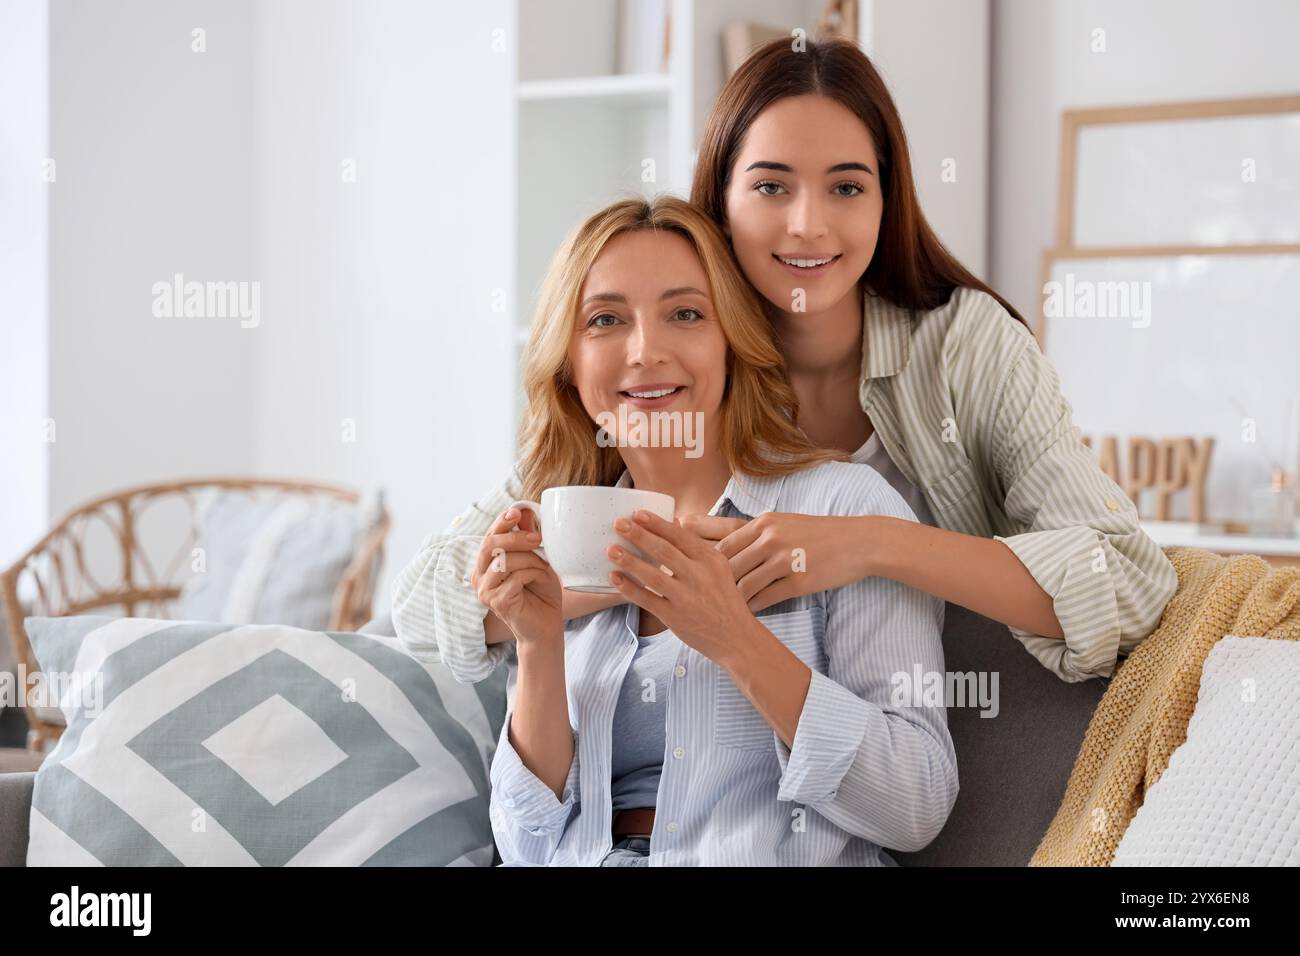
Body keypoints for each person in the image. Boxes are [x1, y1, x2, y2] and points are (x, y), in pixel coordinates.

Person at [394, 37, 1176, 688]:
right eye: (771, 186)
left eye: (846, 186)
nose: (808, 226)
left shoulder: (965, 346)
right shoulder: (676, 367)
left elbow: (1129, 578)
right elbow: (427, 600)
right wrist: (621, 581)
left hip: (940, 724)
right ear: (719, 199)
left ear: (885, 200)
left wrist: (871, 542)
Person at [475, 196, 954, 865]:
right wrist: (537, 645)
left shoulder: (843, 508)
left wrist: (733, 637)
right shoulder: (567, 533)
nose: (646, 351)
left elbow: (915, 803)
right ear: (568, 364)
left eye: (686, 314)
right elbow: (527, 846)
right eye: (606, 320)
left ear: (732, 342)